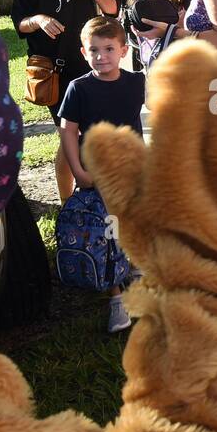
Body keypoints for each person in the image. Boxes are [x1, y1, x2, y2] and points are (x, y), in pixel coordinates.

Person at [11, 0, 121, 203]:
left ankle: (94, 202)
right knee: (69, 139)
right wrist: (39, 20)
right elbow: (19, 22)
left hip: (90, 66)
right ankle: (68, 207)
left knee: (91, 138)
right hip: (55, 72)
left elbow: (114, 8)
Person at [58, 16, 146, 333]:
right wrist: (78, 171)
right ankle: (115, 297)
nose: (101, 56)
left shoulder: (137, 82)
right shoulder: (79, 89)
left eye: (109, 48)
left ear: (123, 50)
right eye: (94, 50)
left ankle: (135, 269)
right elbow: (67, 131)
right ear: (84, 52)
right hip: (97, 176)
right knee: (106, 234)